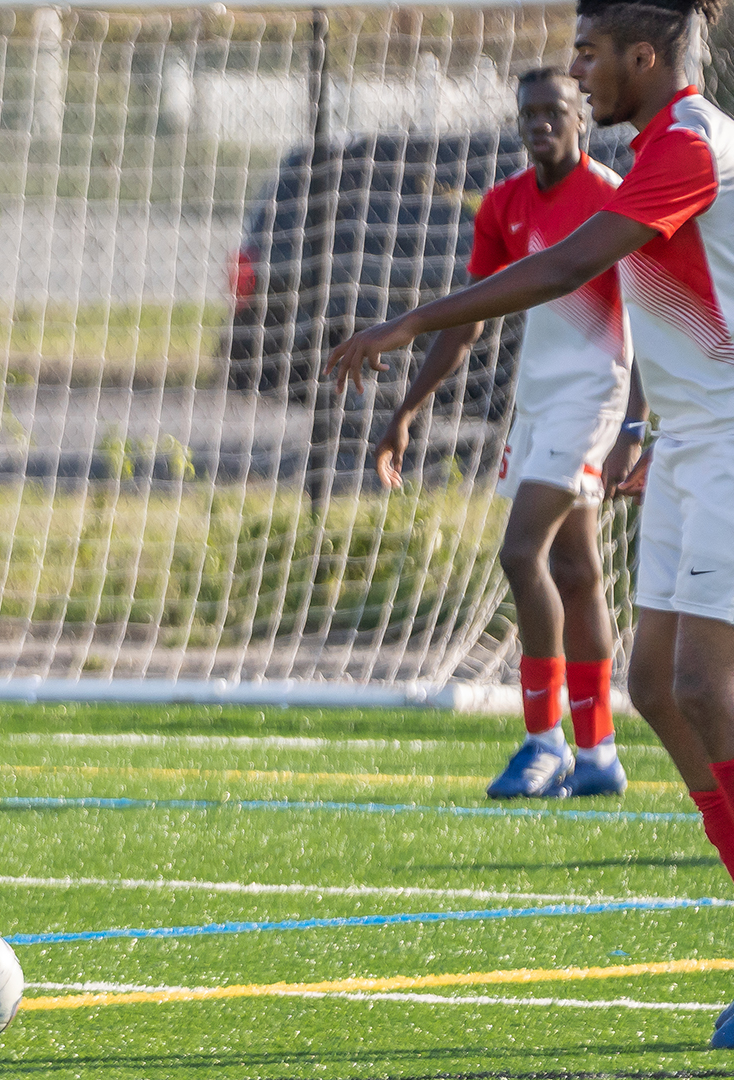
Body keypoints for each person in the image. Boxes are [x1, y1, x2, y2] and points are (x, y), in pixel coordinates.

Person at [326, 0, 734, 1045]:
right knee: (653, 684)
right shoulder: (657, 144)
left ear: (645, 56)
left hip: (730, 438)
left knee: (700, 685)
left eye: (589, 57)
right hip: (689, 443)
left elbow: (567, 268)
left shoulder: (688, 145)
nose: (578, 75)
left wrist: (411, 319)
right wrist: (649, 422)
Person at [334, 69, 647, 800]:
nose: (540, 123)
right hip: (537, 404)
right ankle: (599, 752)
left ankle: (545, 744)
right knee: (576, 572)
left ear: (582, 118)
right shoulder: (504, 204)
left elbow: (648, 317)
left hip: (594, 399)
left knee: (518, 552)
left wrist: (634, 423)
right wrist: (407, 411)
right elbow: (470, 323)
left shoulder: (609, 199)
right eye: (529, 112)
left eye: (555, 111)